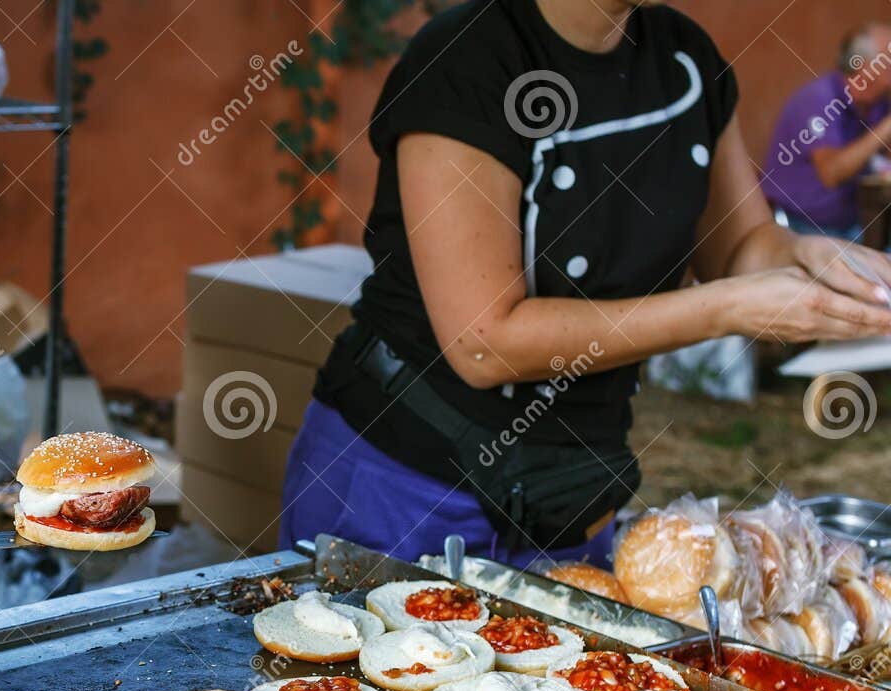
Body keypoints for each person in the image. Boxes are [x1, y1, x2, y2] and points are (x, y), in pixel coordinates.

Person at [281, 0, 891, 569]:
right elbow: (484, 343)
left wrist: (813, 256)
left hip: (572, 485)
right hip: (403, 484)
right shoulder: (468, 60)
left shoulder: (684, 58)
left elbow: (739, 246)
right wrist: (723, 310)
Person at [762, 24, 891, 240]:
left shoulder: (879, 103)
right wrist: (886, 129)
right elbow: (831, 173)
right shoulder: (819, 99)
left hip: (847, 227)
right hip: (795, 227)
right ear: (867, 67)